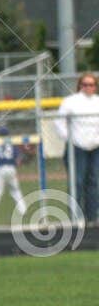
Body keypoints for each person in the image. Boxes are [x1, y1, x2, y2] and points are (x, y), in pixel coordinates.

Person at [56, 72, 99, 224]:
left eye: (91, 84)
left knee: (94, 181)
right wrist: (69, 139)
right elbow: (59, 122)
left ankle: (92, 217)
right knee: (77, 182)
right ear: (80, 85)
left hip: (95, 147)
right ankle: (76, 217)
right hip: (77, 147)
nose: (88, 87)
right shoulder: (70, 101)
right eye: (85, 84)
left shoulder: (97, 102)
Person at [0, 125, 26, 220]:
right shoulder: (12, 143)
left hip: (0, 168)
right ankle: (23, 210)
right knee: (15, 190)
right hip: (11, 168)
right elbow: (18, 159)